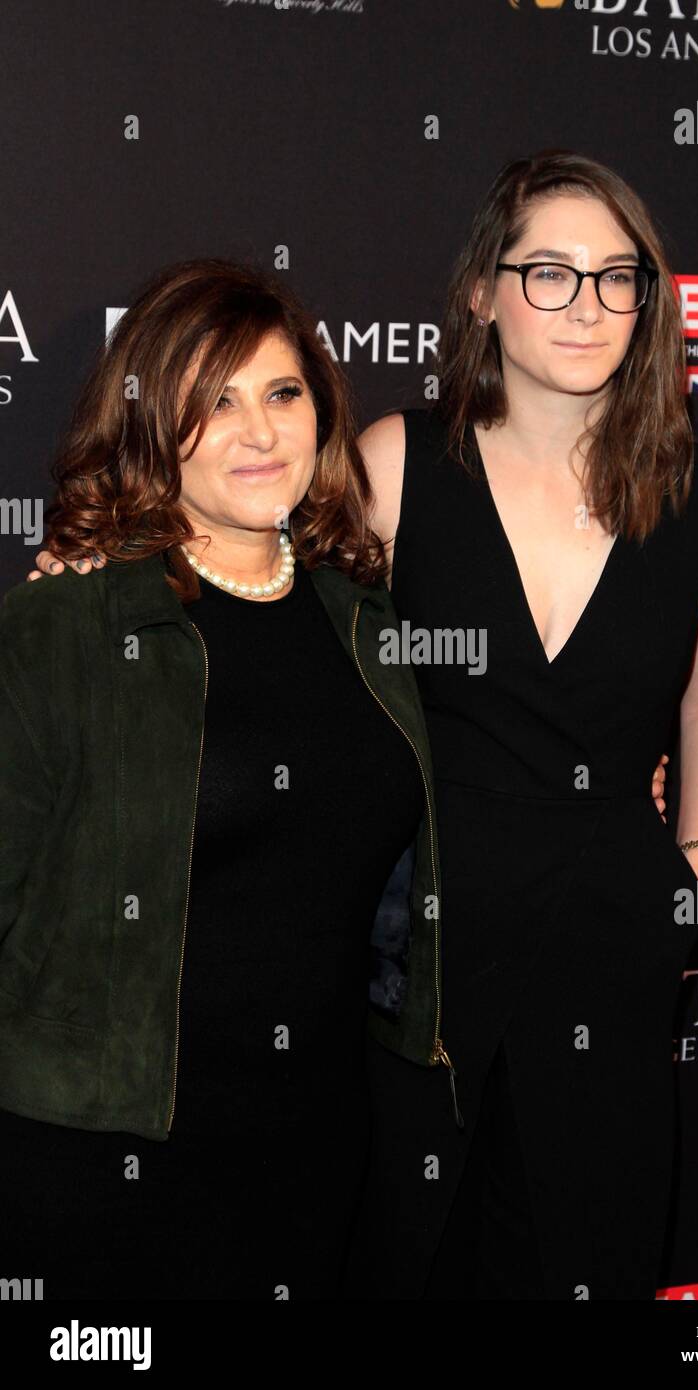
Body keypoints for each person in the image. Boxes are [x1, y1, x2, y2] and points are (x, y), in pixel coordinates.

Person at [338, 150, 698, 1300]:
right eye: (549, 273)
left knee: (590, 1245)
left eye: (615, 277)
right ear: (482, 289)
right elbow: (292, 654)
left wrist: (697, 867)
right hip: (428, 940)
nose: (587, 305)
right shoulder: (394, 468)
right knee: (412, 1248)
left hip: (614, 937)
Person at [0, 257, 441, 1300]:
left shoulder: (362, 619)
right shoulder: (65, 626)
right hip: (105, 1162)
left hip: (316, 1149)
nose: (259, 431)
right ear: (150, 424)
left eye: (282, 393)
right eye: (215, 401)